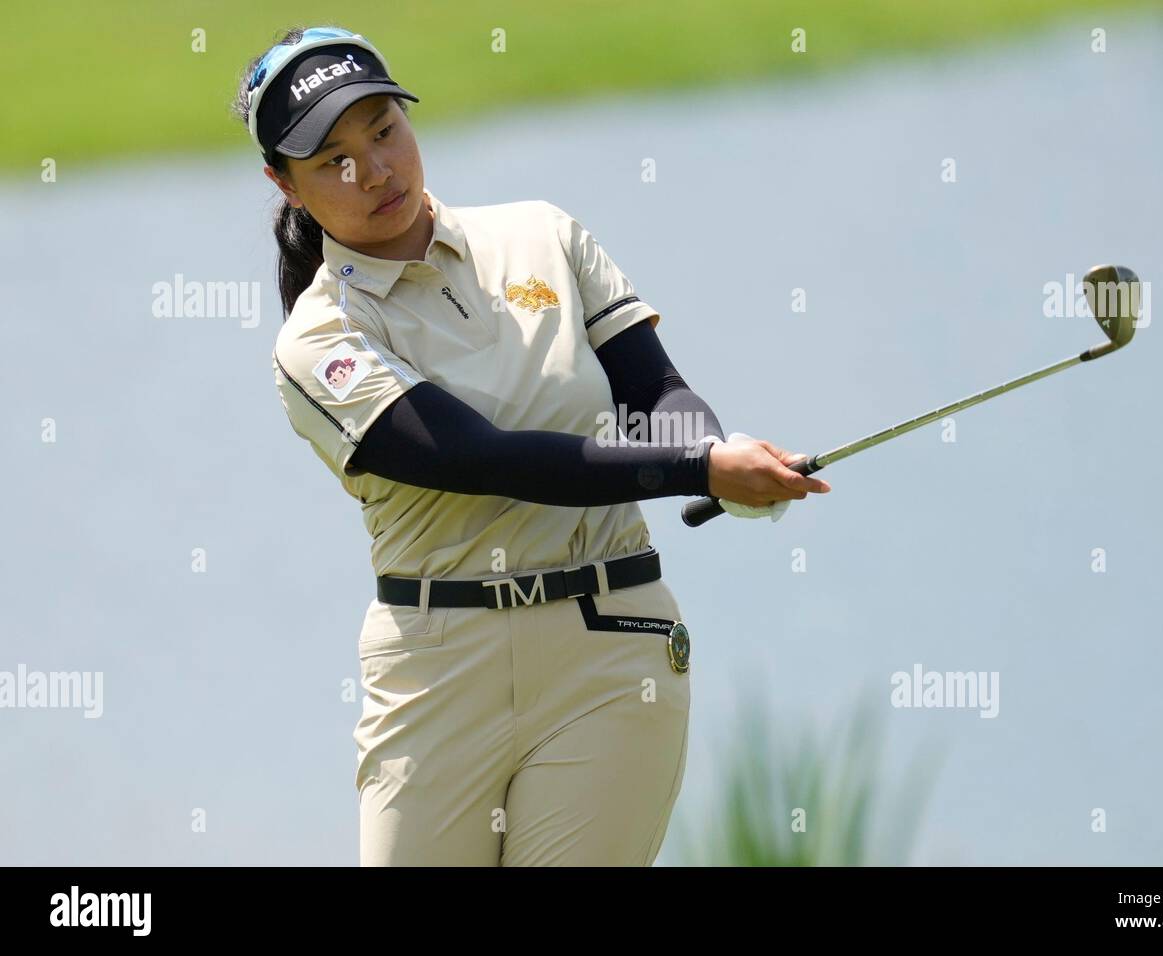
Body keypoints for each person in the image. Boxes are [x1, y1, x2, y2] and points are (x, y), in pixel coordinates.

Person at [231, 25, 831, 866]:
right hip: (436, 673)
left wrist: (717, 455)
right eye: (332, 160)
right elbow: (480, 459)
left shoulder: (542, 235)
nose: (374, 172)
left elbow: (654, 391)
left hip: (613, 644)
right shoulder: (318, 339)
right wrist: (698, 468)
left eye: (383, 132)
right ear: (283, 185)